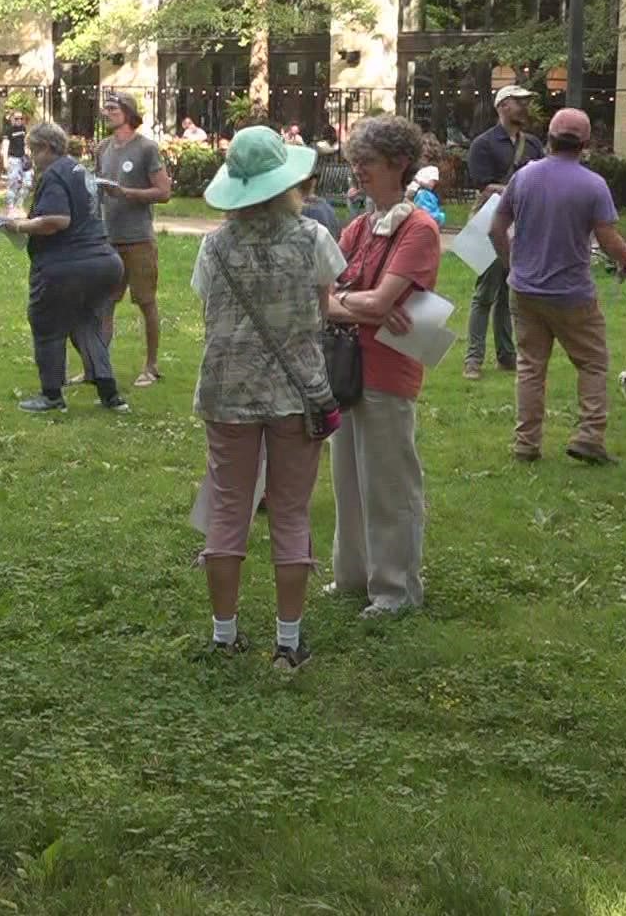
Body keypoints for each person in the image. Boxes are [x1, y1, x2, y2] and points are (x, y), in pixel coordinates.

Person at [191, 126, 345, 670]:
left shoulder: (214, 244)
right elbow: (324, 311)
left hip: (227, 389)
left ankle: (224, 635)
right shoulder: (313, 238)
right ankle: (287, 642)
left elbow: (208, 307)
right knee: (291, 512)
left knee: (229, 508)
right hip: (298, 393)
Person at [325, 116, 442, 618]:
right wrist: (359, 302)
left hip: (389, 371)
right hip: (346, 368)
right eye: (354, 162)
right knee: (347, 480)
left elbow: (378, 302)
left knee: (389, 485)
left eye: (366, 163)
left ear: (398, 164)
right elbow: (327, 297)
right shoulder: (358, 226)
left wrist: (349, 302)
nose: (357, 171)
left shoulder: (419, 227)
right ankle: (352, 577)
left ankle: (396, 590)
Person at [491, 109, 626, 464]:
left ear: (550, 137)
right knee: (591, 363)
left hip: (525, 290)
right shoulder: (593, 185)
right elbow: (607, 238)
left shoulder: (523, 177)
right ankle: (589, 436)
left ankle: (526, 444)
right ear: (585, 144)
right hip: (573, 294)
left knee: (530, 367)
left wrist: (513, 265)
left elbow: (496, 228)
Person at [2, 122, 130, 413]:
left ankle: (51, 395)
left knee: (47, 324)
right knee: (87, 324)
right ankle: (111, 395)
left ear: (47, 148)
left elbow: (57, 220)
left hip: (67, 265)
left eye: (34, 150)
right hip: (104, 262)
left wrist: (17, 225)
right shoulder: (79, 169)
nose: (32, 157)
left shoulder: (54, 173)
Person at [462, 85, 543, 379]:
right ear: (502, 106)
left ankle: (507, 355)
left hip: (522, 222)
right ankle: (473, 359)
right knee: (485, 291)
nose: (524, 107)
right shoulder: (483, 144)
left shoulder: (533, 145)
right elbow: (482, 184)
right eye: (518, 102)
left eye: (526, 102)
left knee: (511, 290)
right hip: (491, 219)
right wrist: (518, 189)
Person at [92, 91, 172, 388]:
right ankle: (98, 367)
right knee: (104, 305)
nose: (108, 112)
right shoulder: (102, 148)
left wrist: (127, 194)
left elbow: (164, 192)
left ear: (128, 111)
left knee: (146, 303)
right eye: (106, 108)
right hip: (108, 239)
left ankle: (151, 366)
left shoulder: (147, 148)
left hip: (138, 239)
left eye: (113, 107)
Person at [2, 110, 30, 214]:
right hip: (13, 160)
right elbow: (5, 146)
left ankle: (19, 205)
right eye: (16, 118)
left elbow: (25, 144)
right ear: (12, 119)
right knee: (13, 184)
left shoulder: (23, 129)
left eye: (21, 118)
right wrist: (5, 160)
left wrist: (28, 155)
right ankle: (11, 207)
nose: (19, 120)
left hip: (23, 159)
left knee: (27, 183)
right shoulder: (8, 131)